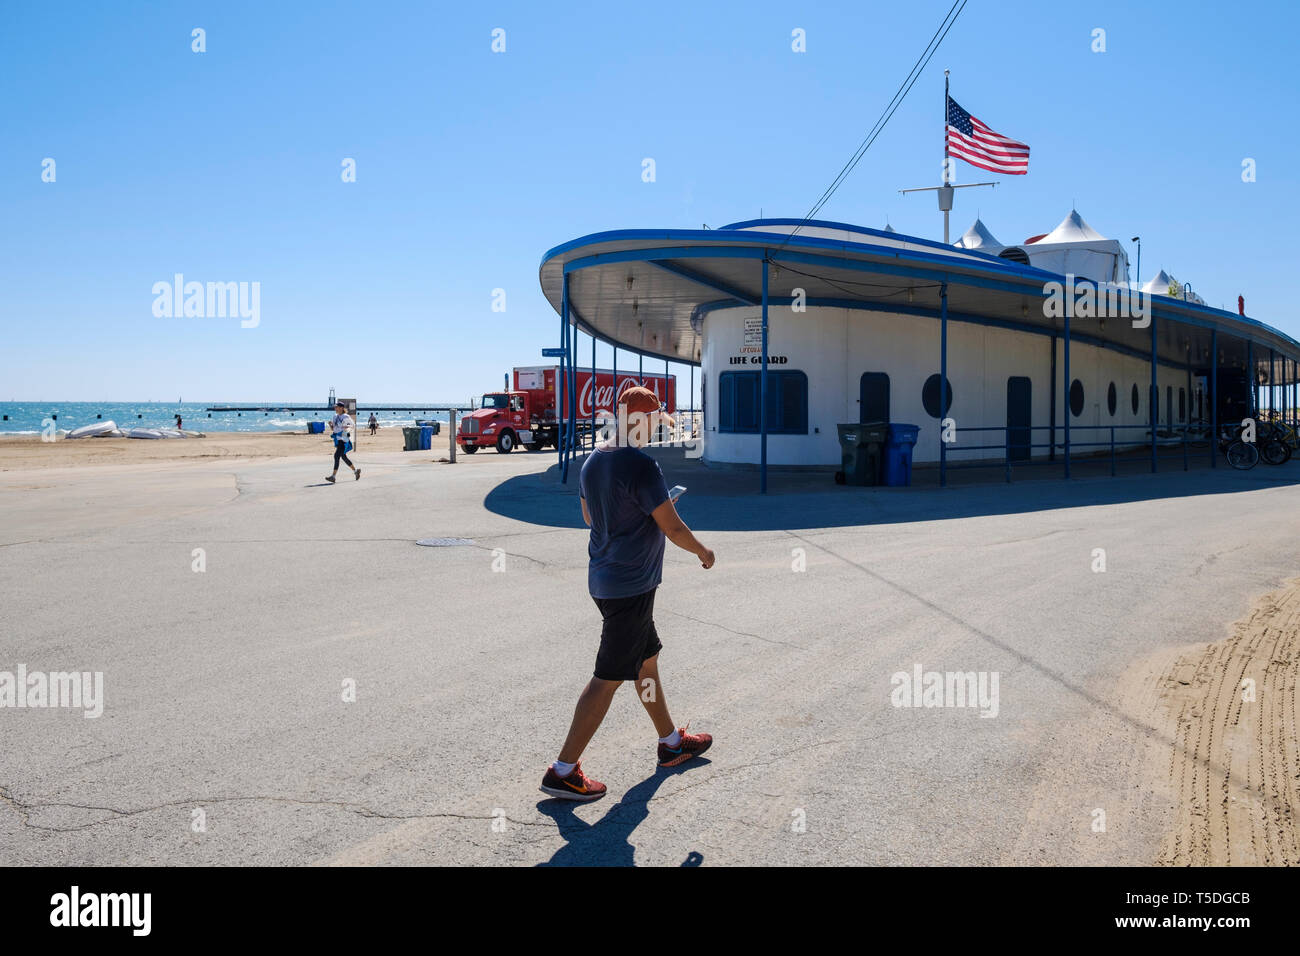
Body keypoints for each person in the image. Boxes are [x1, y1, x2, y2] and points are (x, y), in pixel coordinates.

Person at [540, 386, 715, 802]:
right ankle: (562, 771)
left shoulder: (593, 461)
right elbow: (672, 527)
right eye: (656, 421)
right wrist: (703, 552)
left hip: (603, 579)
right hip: (629, 586)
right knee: (606, 679)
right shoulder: (641, 465)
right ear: (642, 420)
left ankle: (671, 743)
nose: (658, 428)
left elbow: (590, 517)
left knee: (646, 663)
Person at [326, 401, 360, 483]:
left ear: (341, 408)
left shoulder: (346, 416)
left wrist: (347, 427)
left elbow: (353, 426)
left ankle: (333, 476)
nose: (335, 408)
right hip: (338, 439)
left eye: (337, 407)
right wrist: (330, 425)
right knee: (343, 457)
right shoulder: (335, 416)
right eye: (335, 407)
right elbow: (333, 429)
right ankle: (356, 471)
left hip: (344, 439)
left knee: (336, 455)